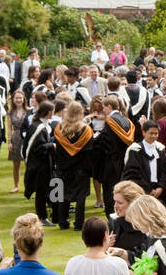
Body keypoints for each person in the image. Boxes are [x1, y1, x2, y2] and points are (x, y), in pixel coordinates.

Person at [52, 100, 93, 231]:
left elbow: (57, 149)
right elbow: (89, 151)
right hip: (81, 169)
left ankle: (63, 222)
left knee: (63, 195)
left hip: (63, 167)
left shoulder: (59, 129)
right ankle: (79, 224)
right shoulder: (86, 130)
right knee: (81, 197)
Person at [94, 95, 135, 218]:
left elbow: (106, 142)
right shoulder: (126, 120)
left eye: (104, 107)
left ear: (109, 106)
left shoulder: (110, 122)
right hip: (125, 161)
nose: (103, 110)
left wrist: (96, 139)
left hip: (111, 163)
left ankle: (112, 215)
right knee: (123, 189)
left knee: (110, 190)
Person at [22, 100, 55, 225]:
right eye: (52, 111)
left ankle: (46, 215)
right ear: (48, 112)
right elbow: (38, 148)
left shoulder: (41, 125)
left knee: (44, 190)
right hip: (40, 165)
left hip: (43, 164)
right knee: (41, 192)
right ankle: (42, 217)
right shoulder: (37, 127)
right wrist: (52, 145)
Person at [122, 119, 166, 198]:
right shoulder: (136, 150)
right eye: (151, 133)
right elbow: (132, 173)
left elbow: (164, 171)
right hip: (140, 189)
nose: (154, 136)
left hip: (158, 191)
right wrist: (148, 189)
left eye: (156, 133)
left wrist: (160, 187)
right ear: (144, 133)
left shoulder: (160, 149)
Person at [6, 90, 29, 193]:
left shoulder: (29, 111)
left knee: (28, 164)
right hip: (15, 137)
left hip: (27, 138)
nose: (19, 100)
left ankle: (29, 186)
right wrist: (9, 142)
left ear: (24, 99)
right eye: (16, 98)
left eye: (20, 98)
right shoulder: (10, 112)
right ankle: (16, 186)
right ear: (13, 99)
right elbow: (9, 128)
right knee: (16, 164)